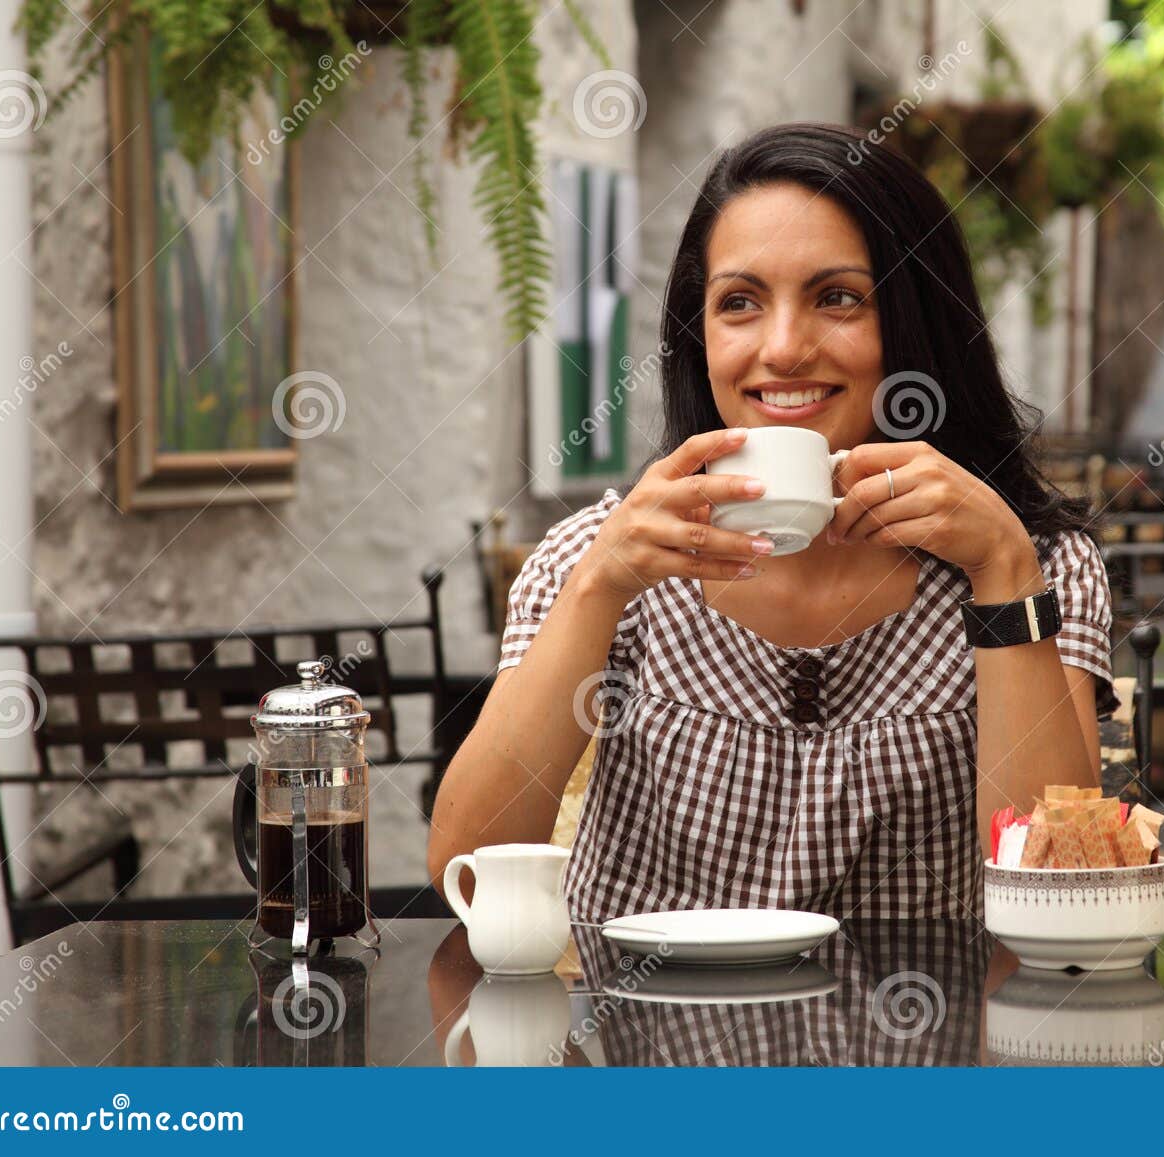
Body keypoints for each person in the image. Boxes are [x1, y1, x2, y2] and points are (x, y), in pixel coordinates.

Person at [429, 122, 1113, 921]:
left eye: (837, 298)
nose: (783, 348)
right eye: (740, 303)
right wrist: (597, 586)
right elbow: (465, 873)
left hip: (919, 1006)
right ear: (699, 336)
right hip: (644, 1003)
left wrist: (1001, 567)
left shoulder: (1034, 564)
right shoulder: (601, 557)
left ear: (916, 322)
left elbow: (1060, 891)